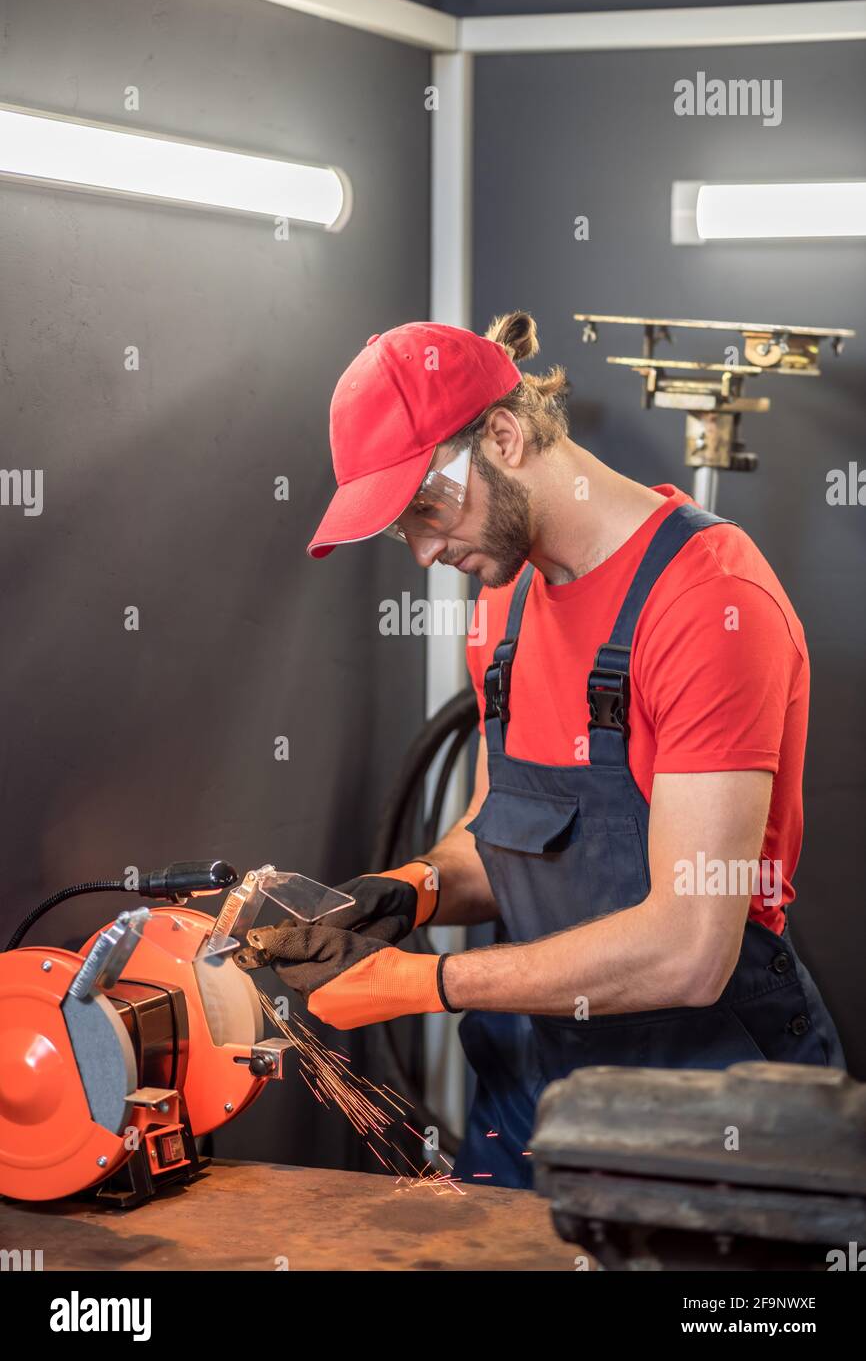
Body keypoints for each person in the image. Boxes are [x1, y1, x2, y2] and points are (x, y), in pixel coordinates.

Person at [239, 311, 845, 1189]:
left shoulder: (711, 605)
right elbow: (499, 839)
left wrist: (426, 987)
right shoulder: (504, 607)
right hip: (531, 1100)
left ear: (505, 436)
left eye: (425, 508)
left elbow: (688, 948)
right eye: (398, 527)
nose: (422, 551)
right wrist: (405, 895)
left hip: (709, 1113)